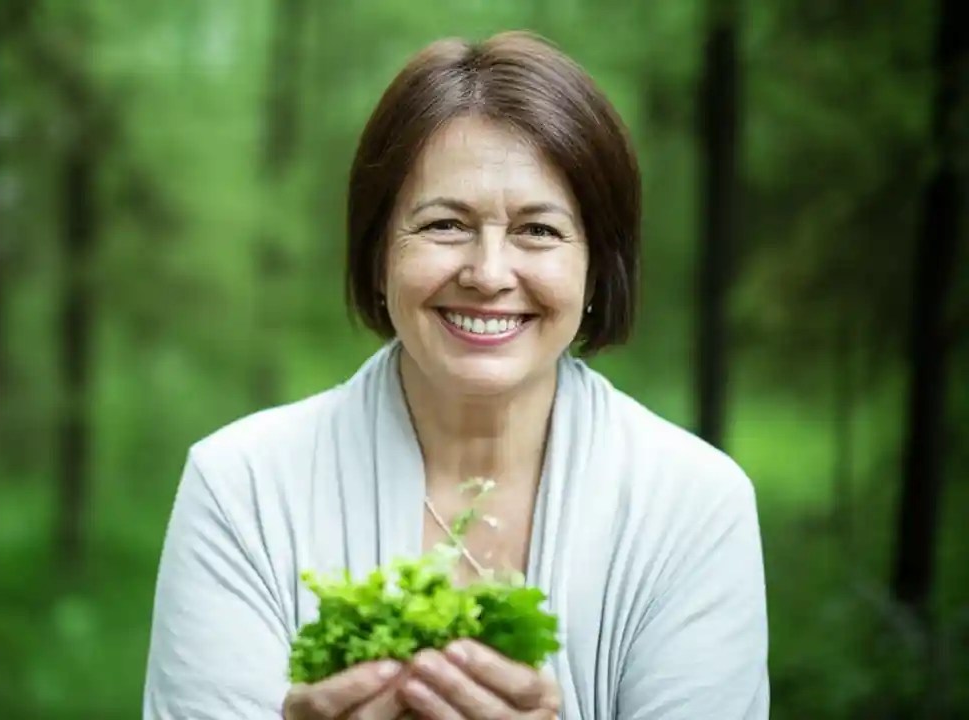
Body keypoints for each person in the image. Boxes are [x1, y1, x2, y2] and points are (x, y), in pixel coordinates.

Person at [143, 30, 769, 720]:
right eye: (444, 225)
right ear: (379, 254)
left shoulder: (693, 506)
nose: (489, 273)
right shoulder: (243, 489)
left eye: (538, 231)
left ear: (597, 269)